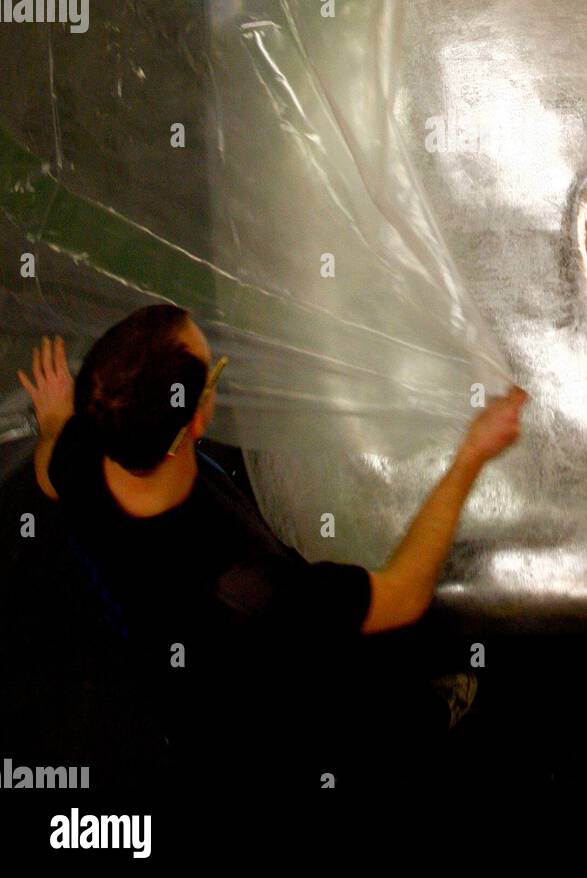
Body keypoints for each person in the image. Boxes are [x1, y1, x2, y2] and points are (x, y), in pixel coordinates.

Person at [18, 307, 526, 787]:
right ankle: (423, 720)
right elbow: (403, 595)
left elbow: (49, 472)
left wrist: (55, 422)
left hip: (175, 684)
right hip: (267, 701)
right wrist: (471, 455)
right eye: (214, 370)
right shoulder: (246, 583)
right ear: (195, 421)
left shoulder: (83, 452)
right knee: (346, 707)